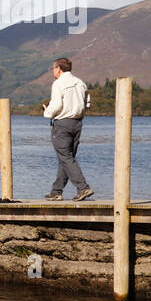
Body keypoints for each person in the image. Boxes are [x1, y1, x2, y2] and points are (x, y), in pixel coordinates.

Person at [43, 57, 93, 201]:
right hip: (77, 123)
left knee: (65, 157)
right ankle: (56, 191)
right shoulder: (80, 83)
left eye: (53, 68)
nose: (53, 71)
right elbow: (87, 104)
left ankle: (83, 188)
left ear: (59, 69)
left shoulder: (58, 83)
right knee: (66, 158)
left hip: (62, 124)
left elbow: (57, 105)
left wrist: (47, 112)